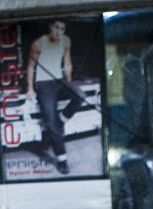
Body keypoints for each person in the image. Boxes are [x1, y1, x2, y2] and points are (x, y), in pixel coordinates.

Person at [24, 18, 89, 175]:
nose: (59, 32)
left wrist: (68, 83)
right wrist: (30, 88)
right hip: (44, 83)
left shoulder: (66, 40)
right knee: (51, 123)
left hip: (59, 79)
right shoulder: (39, 43)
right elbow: (31, 67)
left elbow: (67, 61)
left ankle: (62, 119)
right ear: (50, 26)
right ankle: (62, 160)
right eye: (57, 28)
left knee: (80, 95)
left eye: (62, 29)